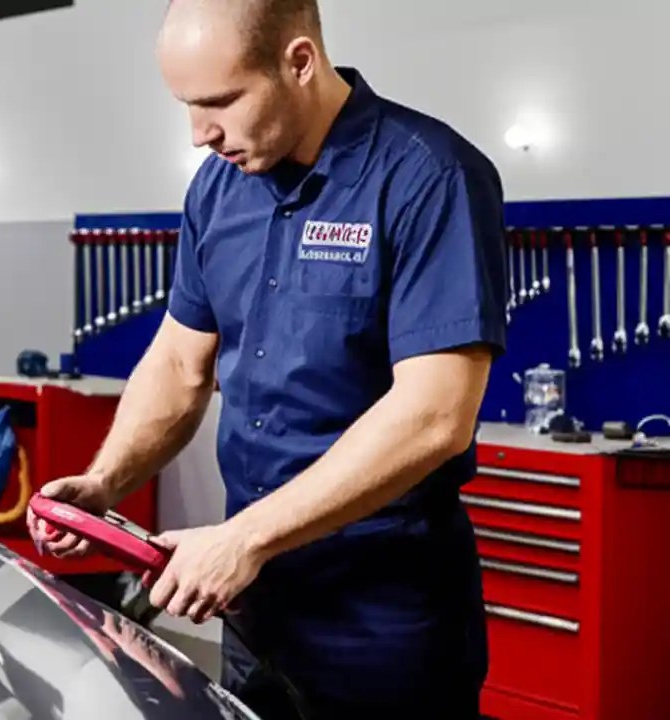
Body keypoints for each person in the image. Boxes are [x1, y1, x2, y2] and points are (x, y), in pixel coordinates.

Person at [26, 0, 508, 717]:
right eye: (188, 106)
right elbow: (179, 365)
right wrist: (105, 481)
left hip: (383, 620)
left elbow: (435, 416)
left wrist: (243, 539)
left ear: (300, 62)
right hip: (256, 607)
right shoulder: (218, 190)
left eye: (220, 101)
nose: (199, 134)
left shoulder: (428, 177)